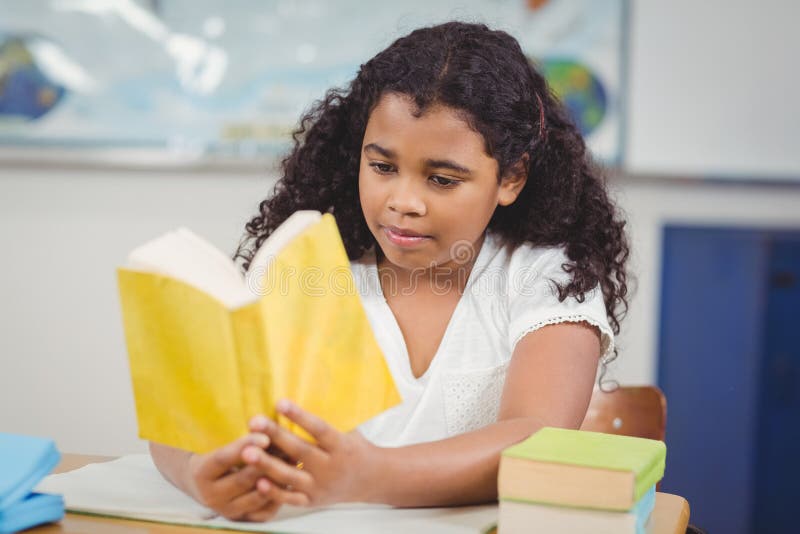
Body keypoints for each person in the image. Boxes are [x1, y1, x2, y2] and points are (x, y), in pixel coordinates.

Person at [149, 21, 629, 522]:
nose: (402, 202)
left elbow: (538, 431)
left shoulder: (546, 276)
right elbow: (181, 422)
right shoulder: (311, 265)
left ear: (510, 177)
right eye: (382, 167)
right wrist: (198, 473)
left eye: (442, 179)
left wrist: (372, 475)